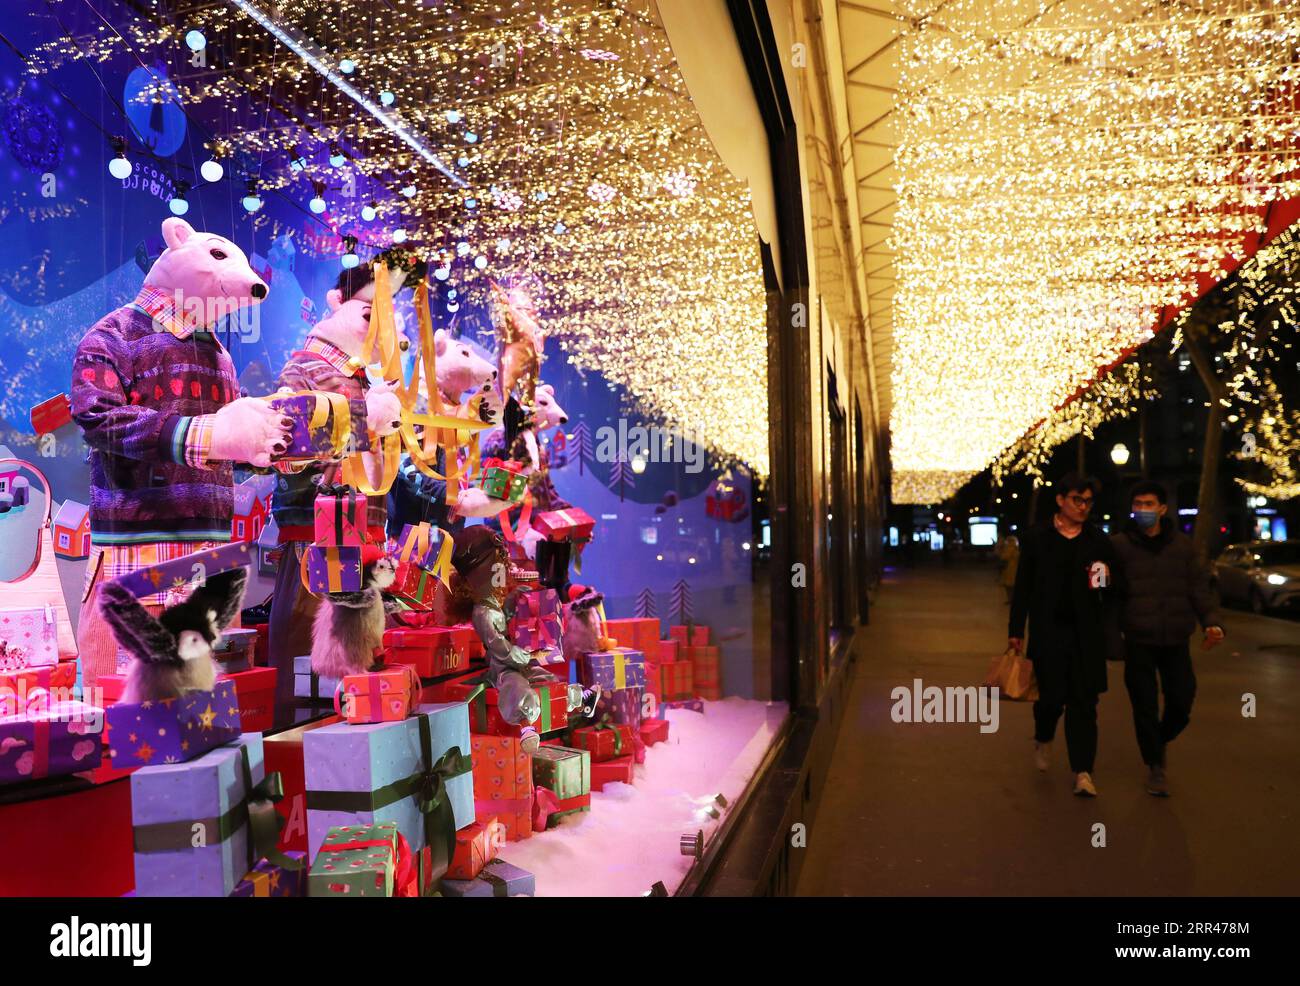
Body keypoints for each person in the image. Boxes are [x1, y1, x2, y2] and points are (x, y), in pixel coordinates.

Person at [1008, 473, 1120, 797]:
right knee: (1050, 700)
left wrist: (1103, 580)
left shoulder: (1098, 541)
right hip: (1047, 633)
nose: (1083, 507)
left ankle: (1083, 771)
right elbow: (1023, 589)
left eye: (1088, 501)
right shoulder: (1037, 538)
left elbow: (1107, 589)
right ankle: (1043, 737)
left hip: (1086, 635)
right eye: (1077, 500)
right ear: (1060, 500)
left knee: (1084, 704)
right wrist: (1016, 632)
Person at [1110, 481, 1224, 796]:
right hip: (1138, 639)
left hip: (1176, 638)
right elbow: (1111, 595)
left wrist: (1212, 623)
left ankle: (1159, 739)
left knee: (1182, 700)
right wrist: (1111, 635)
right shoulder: (1119, 546)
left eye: (1149, 504)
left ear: (1162, 508)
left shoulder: (1183, 547)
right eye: (1138, 505)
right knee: (1144, 705)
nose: (1142, 510)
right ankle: (1155, 766)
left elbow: (1199, 588)